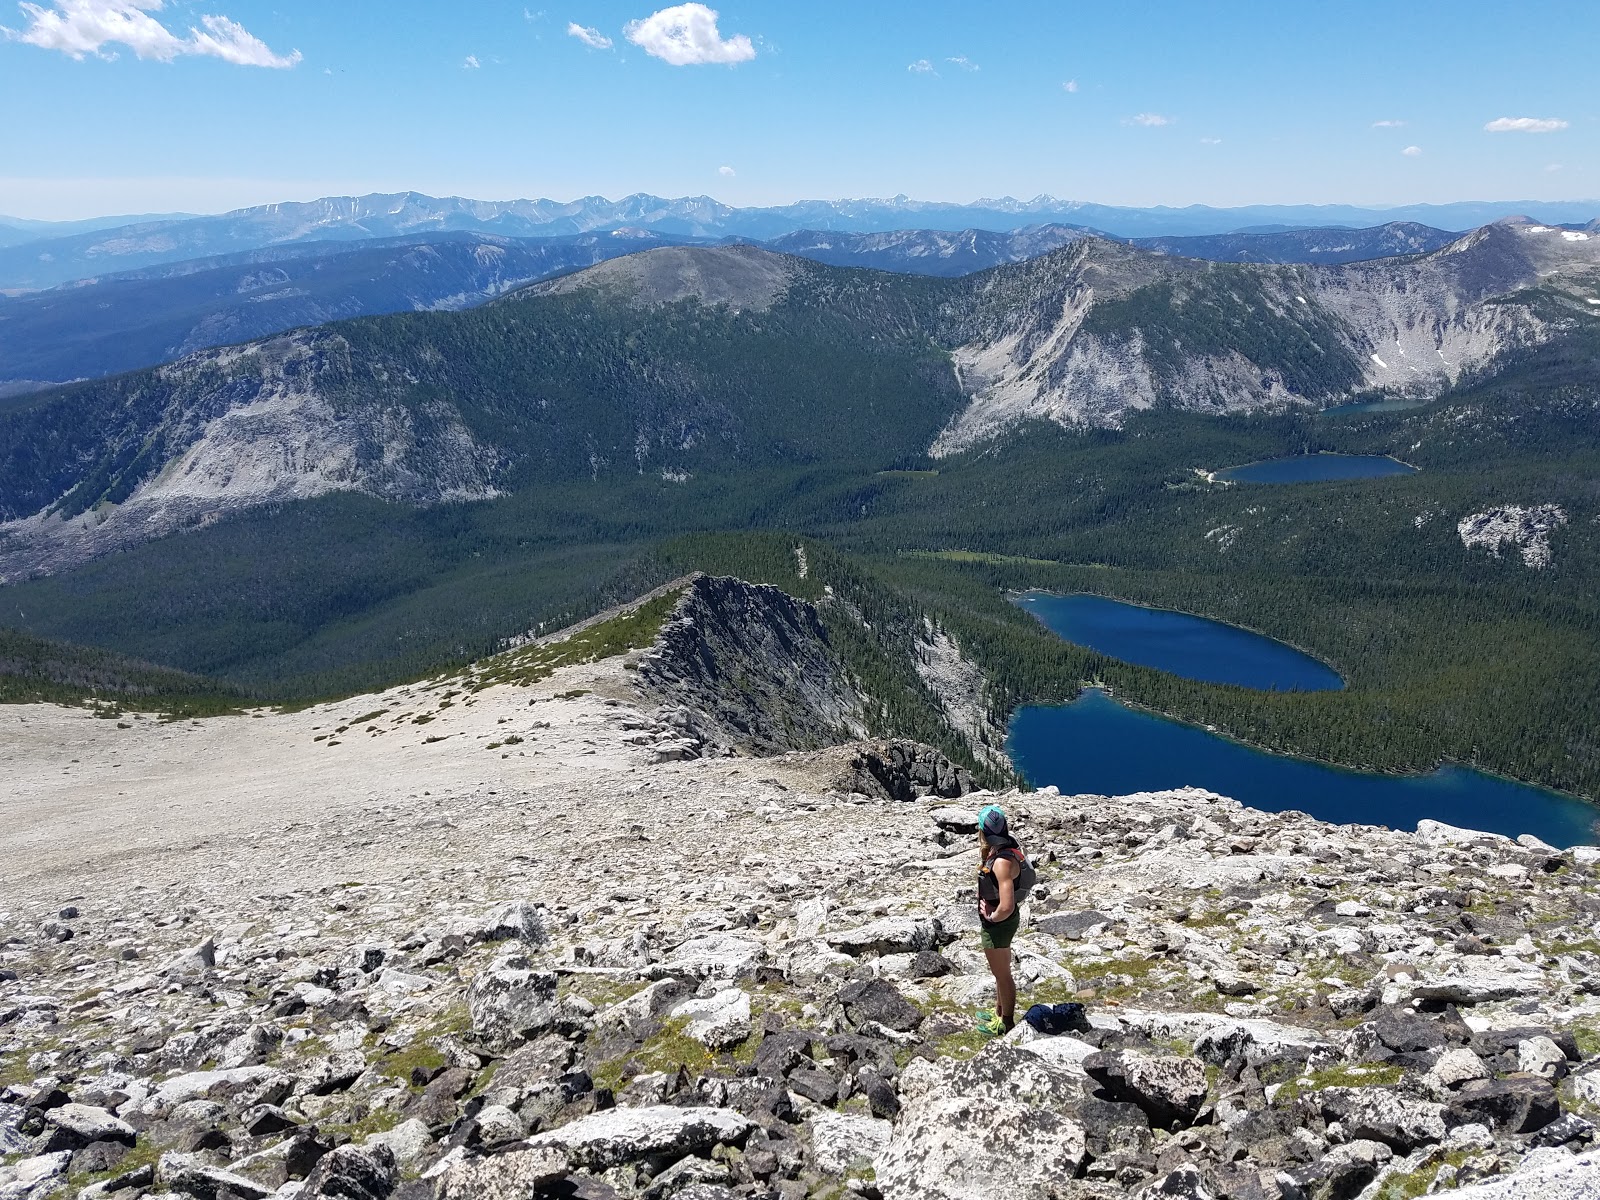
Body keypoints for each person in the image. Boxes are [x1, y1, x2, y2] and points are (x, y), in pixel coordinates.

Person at [975, 804, 1027, 1036]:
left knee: (1002, 974)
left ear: (983, 832)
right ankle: (999, 1010)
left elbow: (1006, 906)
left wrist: (991, 917)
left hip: (999, 925)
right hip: (1005, 922)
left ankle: (1006, 1022)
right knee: (1000, 970)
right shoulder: (1008, 849)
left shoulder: (1001, 862)